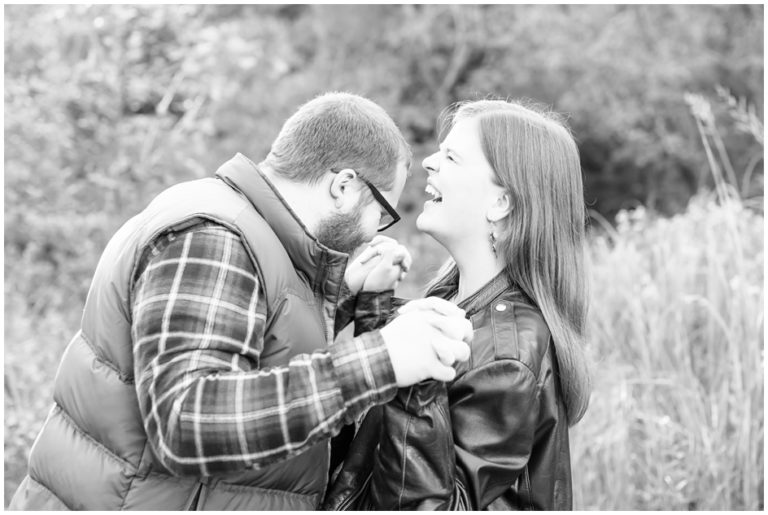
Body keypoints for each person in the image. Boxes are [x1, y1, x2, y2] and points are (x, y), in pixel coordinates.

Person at [9, 92, 473, 510]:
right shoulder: (215, 240)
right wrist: (382, 359)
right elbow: (187, 418)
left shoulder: (248, 234)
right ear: (345, 185)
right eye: (382, 212)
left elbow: (258, 339)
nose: (376, 230)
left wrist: (341, 298)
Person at [323, 99, 592, 510]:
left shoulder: (510, 353)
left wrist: (417, 375)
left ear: (501, 203)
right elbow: (378, 448)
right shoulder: (451, 304)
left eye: (451, 156)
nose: (429, 162)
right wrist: (374, 317)